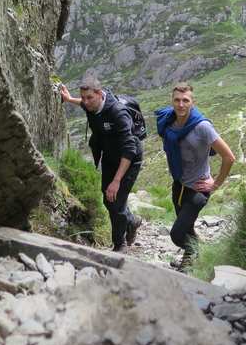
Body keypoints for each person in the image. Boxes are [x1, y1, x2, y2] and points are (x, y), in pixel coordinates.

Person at [156, 82, 235, 269]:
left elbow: (229, 157)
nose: (181, 105)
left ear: (193, 102)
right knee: (187, 228)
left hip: (198, 190)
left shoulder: (202, 127)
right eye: (177, 100)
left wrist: (215, 185)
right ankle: (190, 259)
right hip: (179, 185)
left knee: (177, 234)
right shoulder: (168, 120)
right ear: (171, 101)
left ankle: (195, 252)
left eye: (185, 100)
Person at [60, 76, 143, 253]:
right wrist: (69, 99)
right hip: (110, 156)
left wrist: (117, 180)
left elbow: (130, 148)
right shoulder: (91, 104)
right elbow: (83, 103)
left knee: (116, 201)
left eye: (89, 97)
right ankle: (132, 221)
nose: (86, 102)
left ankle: (120, 244)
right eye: (83, 97)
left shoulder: (117, 112)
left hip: (129, 159)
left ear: (100, 93)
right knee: (107, 199)